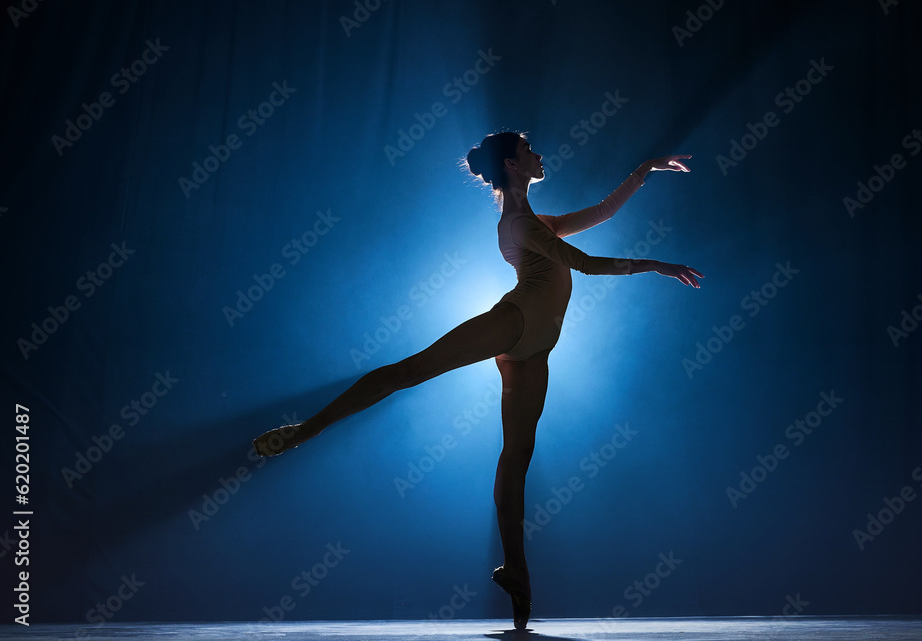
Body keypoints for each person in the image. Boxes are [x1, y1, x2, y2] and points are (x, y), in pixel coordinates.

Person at [252, 131, 703, 629]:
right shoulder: (518, 224)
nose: (540, 154)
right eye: (530, 149)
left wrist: (644, 168)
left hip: (536, 352)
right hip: (512, 323)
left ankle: (517, 570)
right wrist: (656, 265)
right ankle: (304, 430)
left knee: (518, 458)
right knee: (411, 371)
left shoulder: (541, 221)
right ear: (512, 163)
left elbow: (603, 212)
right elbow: (587, 265)